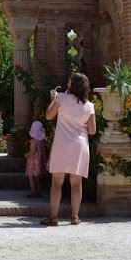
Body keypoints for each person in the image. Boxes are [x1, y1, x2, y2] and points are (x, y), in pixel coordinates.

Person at [43, 72, 97, 225]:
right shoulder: (89, 106)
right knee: (76, 182)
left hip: (62, 144)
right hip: (79, 145)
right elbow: (92, 130)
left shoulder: (62, 98)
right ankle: (75, 216)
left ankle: (53, 217)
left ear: (73, 84)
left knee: (57, 182)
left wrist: (53, 100)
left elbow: (49, 116)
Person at [24, 117, 48, 196]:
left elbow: (33, 151)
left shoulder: (33, 141)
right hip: (39, 162)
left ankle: (33, 191)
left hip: (32, 163)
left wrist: (26, 155)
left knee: (31, 177)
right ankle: (39, 191)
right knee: (37, 177)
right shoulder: (41, 142)